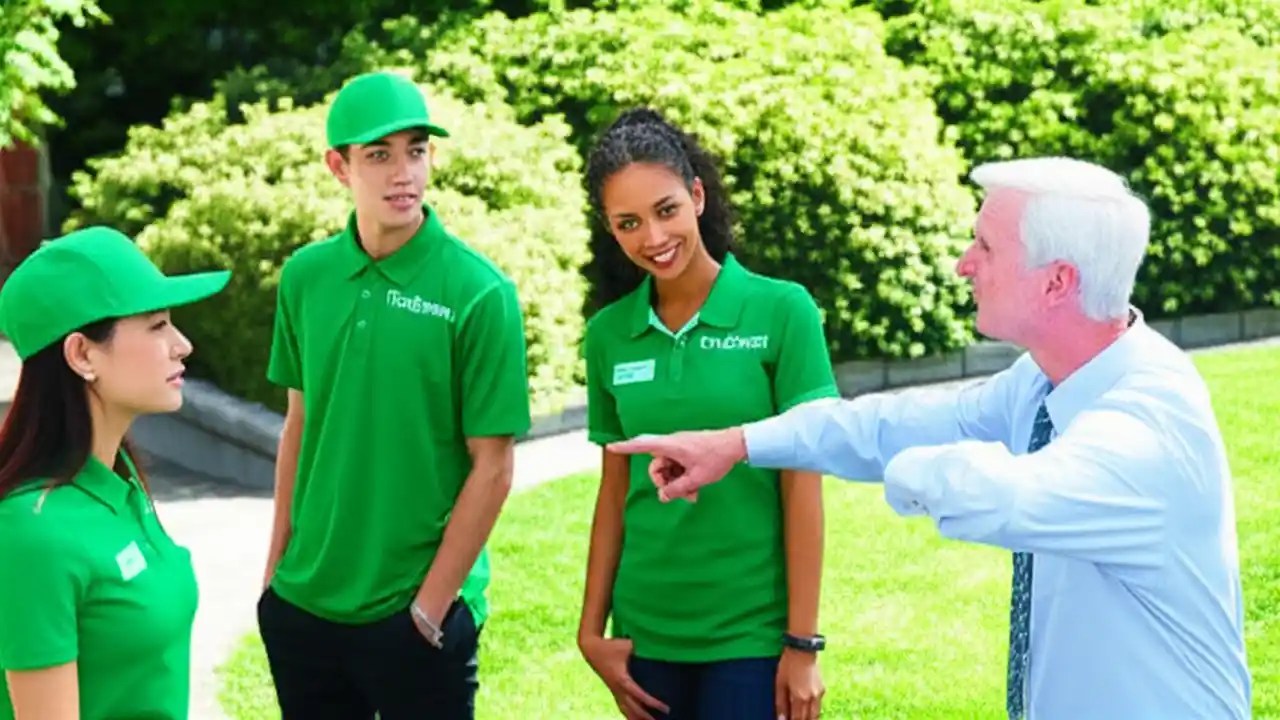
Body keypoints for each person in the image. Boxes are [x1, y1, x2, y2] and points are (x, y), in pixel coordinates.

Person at [610, 157, 1252, 720]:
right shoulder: (1042, 382)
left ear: (1056, 281)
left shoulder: (1149, 420)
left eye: (986, 247)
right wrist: (740, 442)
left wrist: (905, 474)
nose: (963, 263)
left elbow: (1001, 497)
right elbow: (888, 424)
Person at [257, 70, 531, 720]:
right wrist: (274, 579)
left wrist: (430, 611)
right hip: (305, 607)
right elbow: (300, 423)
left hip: (414, 618)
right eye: (378, 155)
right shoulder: (304, 278)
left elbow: (493, 467)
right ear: (338, 166)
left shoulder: (480, 294)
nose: (402, 171)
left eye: (415, 149)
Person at [577, 107, 834, 720]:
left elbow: (803, 486)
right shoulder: (608, 335)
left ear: (696, 195)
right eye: (629, 222)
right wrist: (592, 632)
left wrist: (802, 644)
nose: (653, 238)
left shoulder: (783, 312)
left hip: (751, 637)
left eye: (666, 210)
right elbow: (614, 493)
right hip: (646, 635)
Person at [0, 226, 230, 720]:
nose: (182, 344)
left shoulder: (121, 479)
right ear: (83, 354)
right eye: (156, 325)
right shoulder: (32, 533)